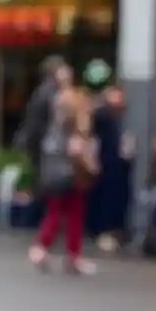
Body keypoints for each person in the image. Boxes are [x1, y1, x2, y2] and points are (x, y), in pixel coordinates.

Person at [29, 88, 100, 275]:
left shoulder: (55, 127)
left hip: (52, 176)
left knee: (55, 212)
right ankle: (72, 256)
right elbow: (76, 150)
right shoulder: (74, 126)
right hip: (71, 175)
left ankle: (41, 248)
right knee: (75, 215)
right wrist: (92, 167)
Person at [88, 85, 133, 251]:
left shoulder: (116, 121)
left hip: (116, 165)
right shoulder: (102, 117)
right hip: (107, 164)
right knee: (106, 199)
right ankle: (104, 231)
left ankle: (111, 231)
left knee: (115, 199)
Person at [16, 56, 73, 172]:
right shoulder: (49, 93)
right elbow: (36, 124)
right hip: (49, 148)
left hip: (46, 147)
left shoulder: (45, 92)